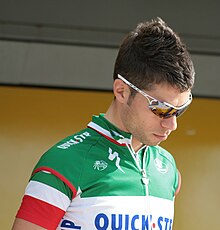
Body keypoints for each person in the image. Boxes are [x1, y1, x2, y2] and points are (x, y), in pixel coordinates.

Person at [12, 17, 195, 230]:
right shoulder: (63, 164)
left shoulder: (168, 169)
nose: (172, 124)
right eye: (161, 109)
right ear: (122, 92)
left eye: (180, 109)